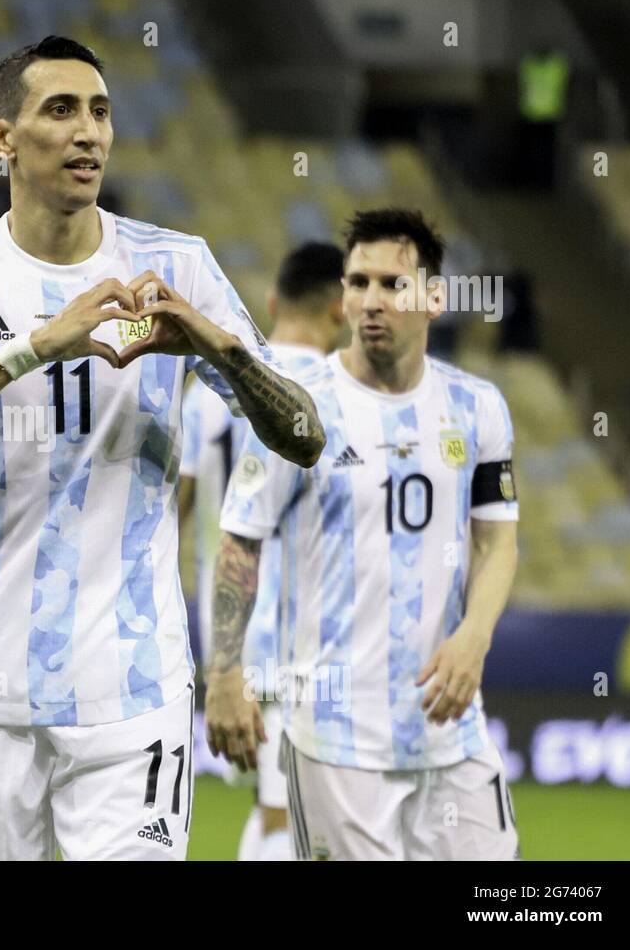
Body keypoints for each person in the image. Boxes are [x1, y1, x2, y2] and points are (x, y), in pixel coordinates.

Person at [0, 36, 324, 861]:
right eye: (60, 111)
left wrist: (216, 347)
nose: (89, 133)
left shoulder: (176, 263)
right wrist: (32, 347)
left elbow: (304, 434)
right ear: (0, 138)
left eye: (101, 112)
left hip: (133, 692)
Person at [207, 209, 521, 860]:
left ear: (435, 296)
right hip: (335, 739)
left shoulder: (478, 407)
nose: (371, 301)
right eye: (358, 283)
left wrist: (474, 636)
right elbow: (240, 538)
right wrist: (224, 675)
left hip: (451, 731)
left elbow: (497, 542)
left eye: (392, 285)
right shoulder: (298, 409)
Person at [179, 241, 343, 861]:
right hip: (303, 642)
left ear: (272, 302)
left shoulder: (207, 398)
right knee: (291, 822)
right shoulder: (328, 396)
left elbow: (174, 517)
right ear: (342, 311)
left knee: (274, 810)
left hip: (225, 635)